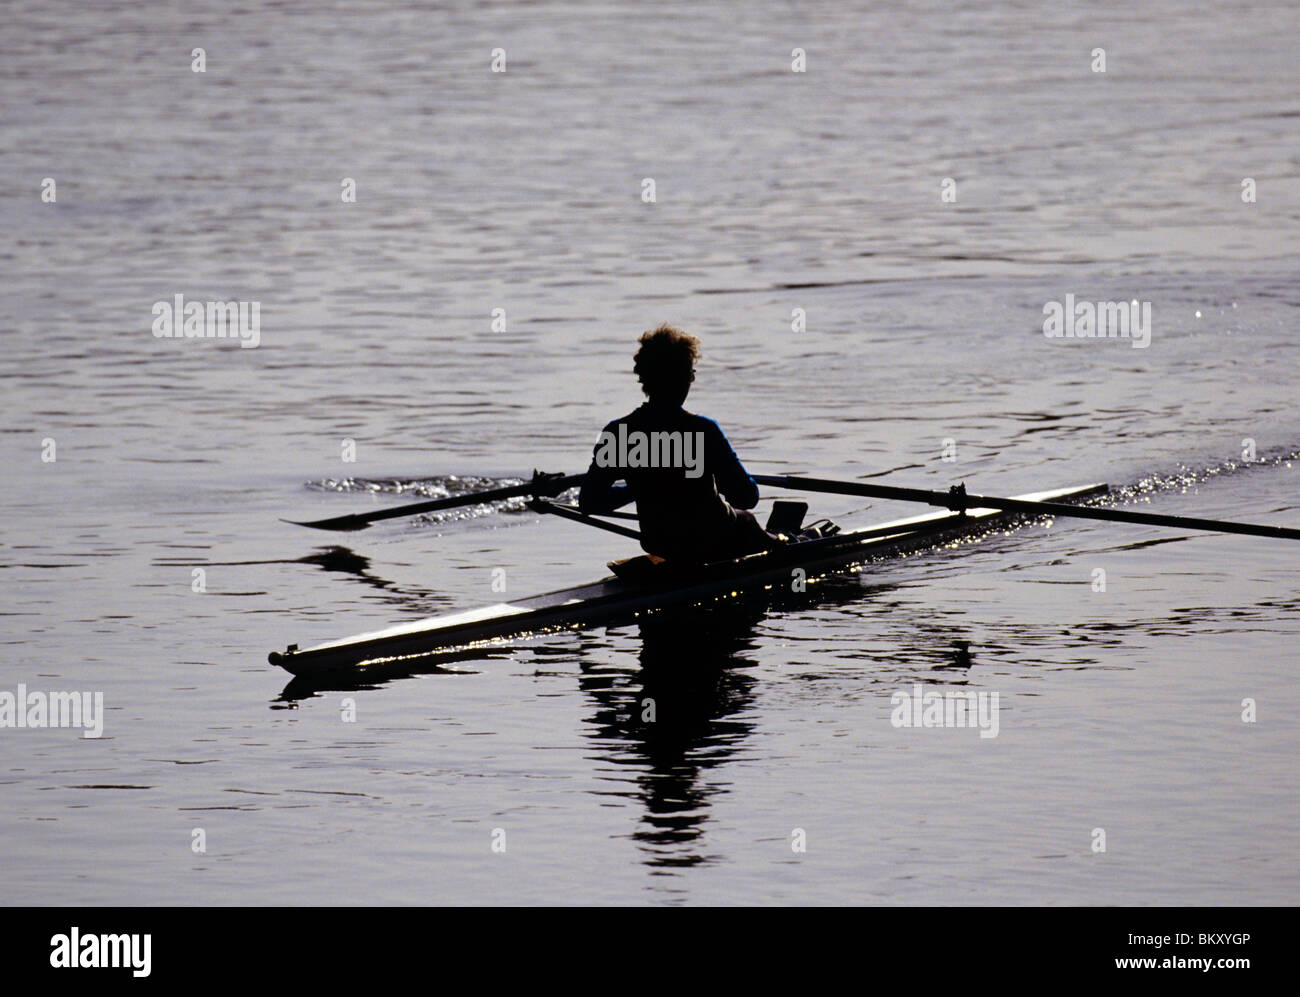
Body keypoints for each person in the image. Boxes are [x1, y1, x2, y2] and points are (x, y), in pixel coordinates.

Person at [580, 324, 778, 562]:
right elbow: (747, 498)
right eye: (690, 374)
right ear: (684, 378)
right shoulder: (703, 430)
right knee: (746, 517)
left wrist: (638, 487)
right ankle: (787, 543)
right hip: (716, 539)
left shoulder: (618, 433)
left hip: (661, 543)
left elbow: (590, 502)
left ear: (645, 379)